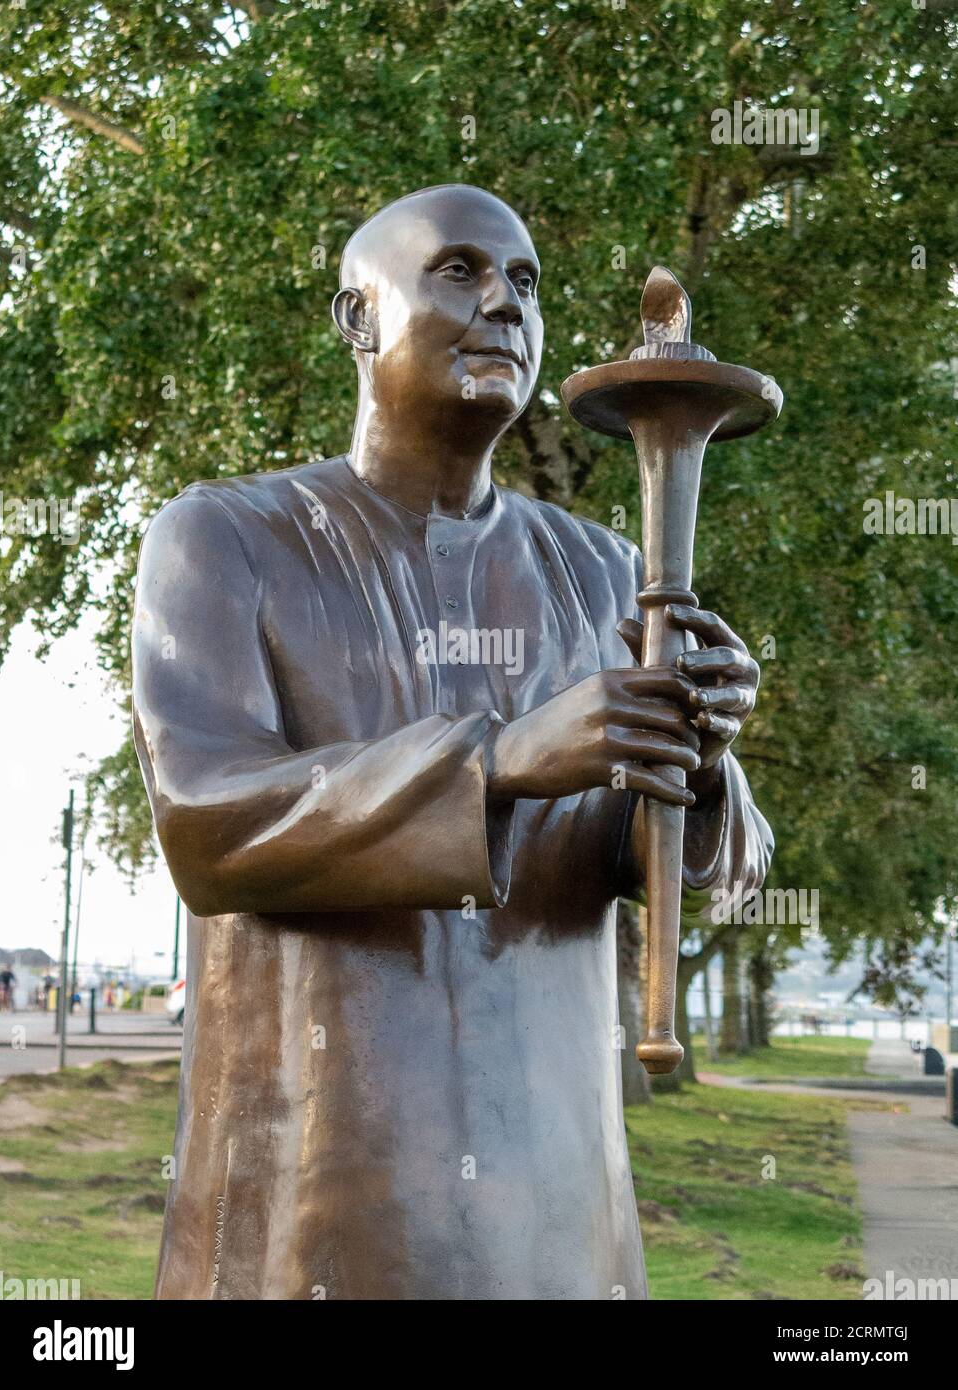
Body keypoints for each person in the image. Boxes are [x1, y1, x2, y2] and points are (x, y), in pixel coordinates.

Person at [133, 185, 772, 1301]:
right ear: (357, 317)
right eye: (461, 272)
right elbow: (206, 822)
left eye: (525, 285)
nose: (504, 307)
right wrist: (502, 761)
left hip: (561, 1201)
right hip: (321, 1185)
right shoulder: (222, 537)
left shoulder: (607, 571)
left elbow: (711, 865)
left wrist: (706, 768)